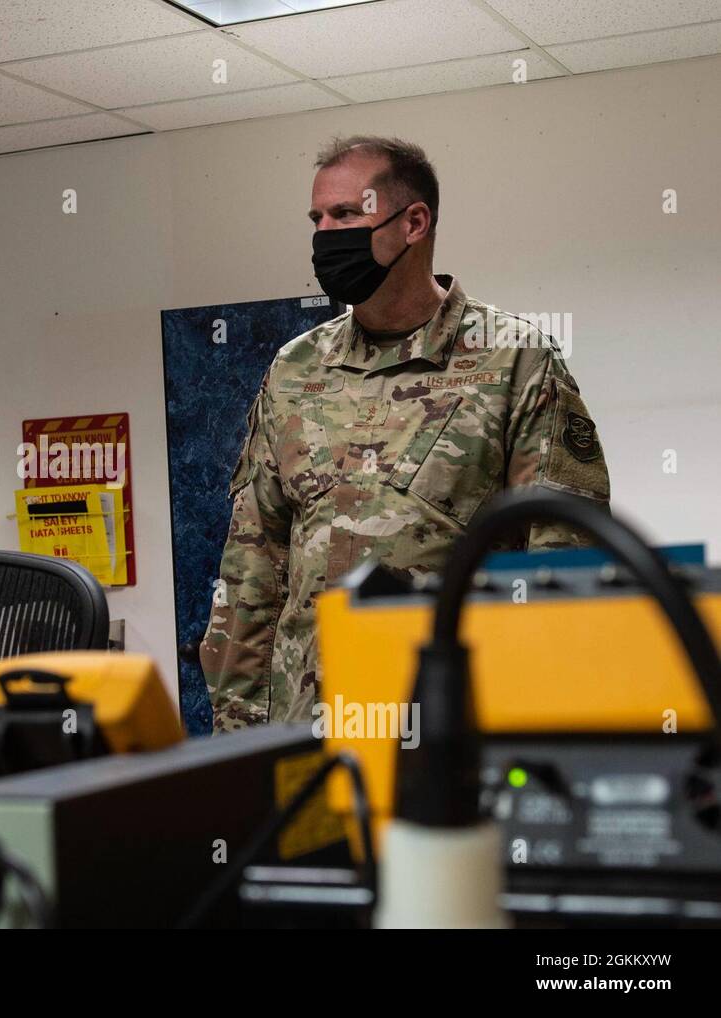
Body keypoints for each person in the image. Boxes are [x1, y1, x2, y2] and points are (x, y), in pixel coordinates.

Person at [202, 136, 611, 730]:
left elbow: (565, 559)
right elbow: (253, 565)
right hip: (307, 728)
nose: (324, 234)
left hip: (452, 727)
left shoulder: (513, 360)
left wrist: (540, 730)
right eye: (316, 218)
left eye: (345, 214)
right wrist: (236, 739)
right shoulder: (295, 370)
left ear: (414, 222)